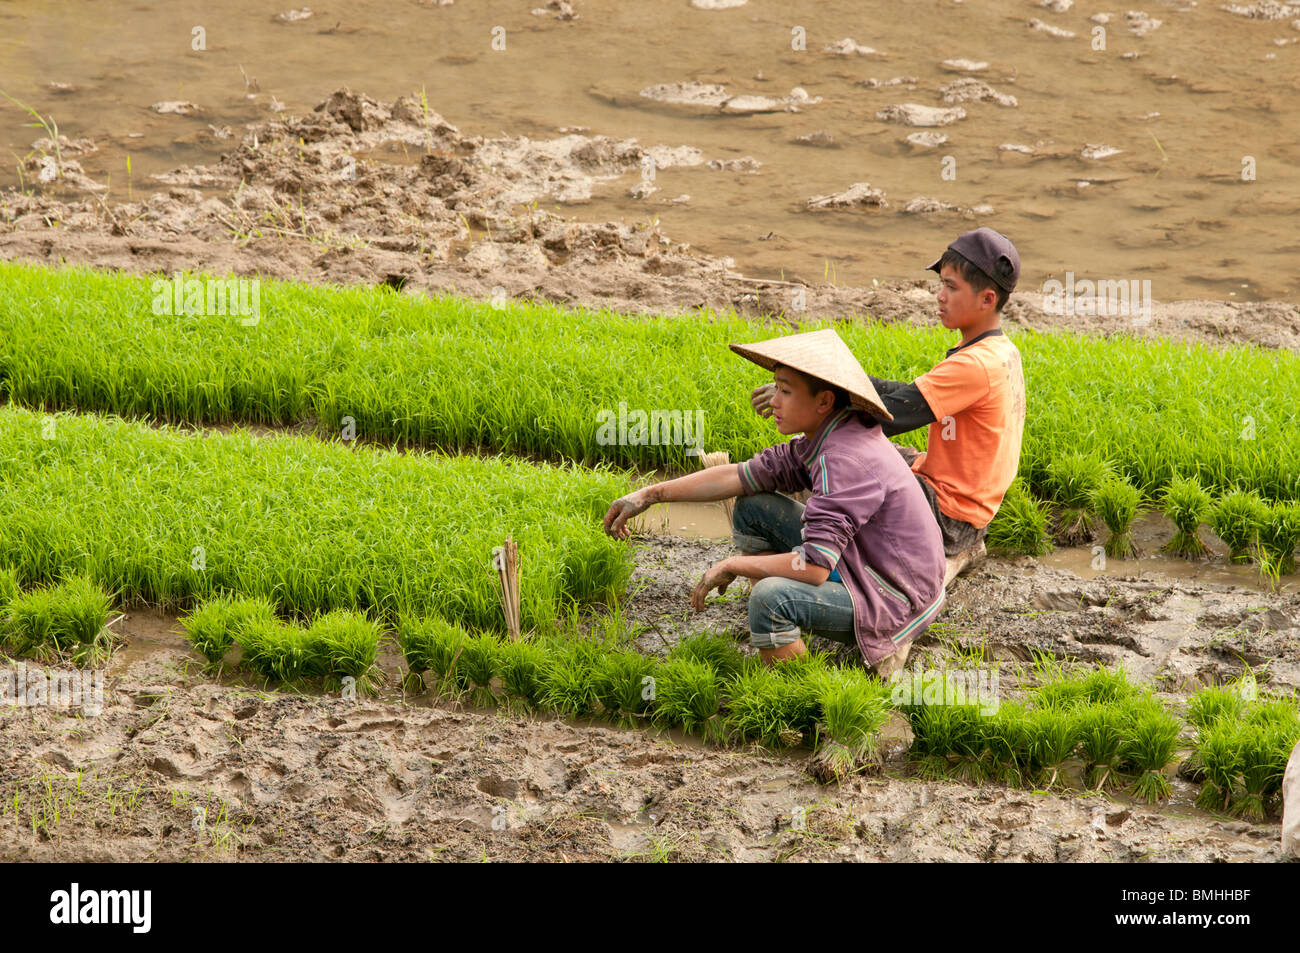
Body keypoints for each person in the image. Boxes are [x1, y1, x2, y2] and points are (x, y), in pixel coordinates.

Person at [604, 328, 945, 676]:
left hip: (895, 598)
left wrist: (734, 565)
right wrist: (650, 494)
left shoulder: (844, 460)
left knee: (770, 598)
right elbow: (740, 475)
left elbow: (814, 567)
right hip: (869, 563)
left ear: (824, 401)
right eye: (775, 387)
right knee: (754, 506)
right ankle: (777, 631)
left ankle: (797, 690)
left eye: (785, 391)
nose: (773, 401)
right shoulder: (831, 432)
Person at [752, 228, 1026, 586]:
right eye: (940, 285)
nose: (940, 297)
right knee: (875, 455)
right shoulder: (1000, 350)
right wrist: (818, 380)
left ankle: (830, 566)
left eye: (952, 287)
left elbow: (892, 413)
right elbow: (909, 394)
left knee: (841, 454)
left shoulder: (975, 365)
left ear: (987, 299)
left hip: (948, 515)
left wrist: (810, 394)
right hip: (971, 505)